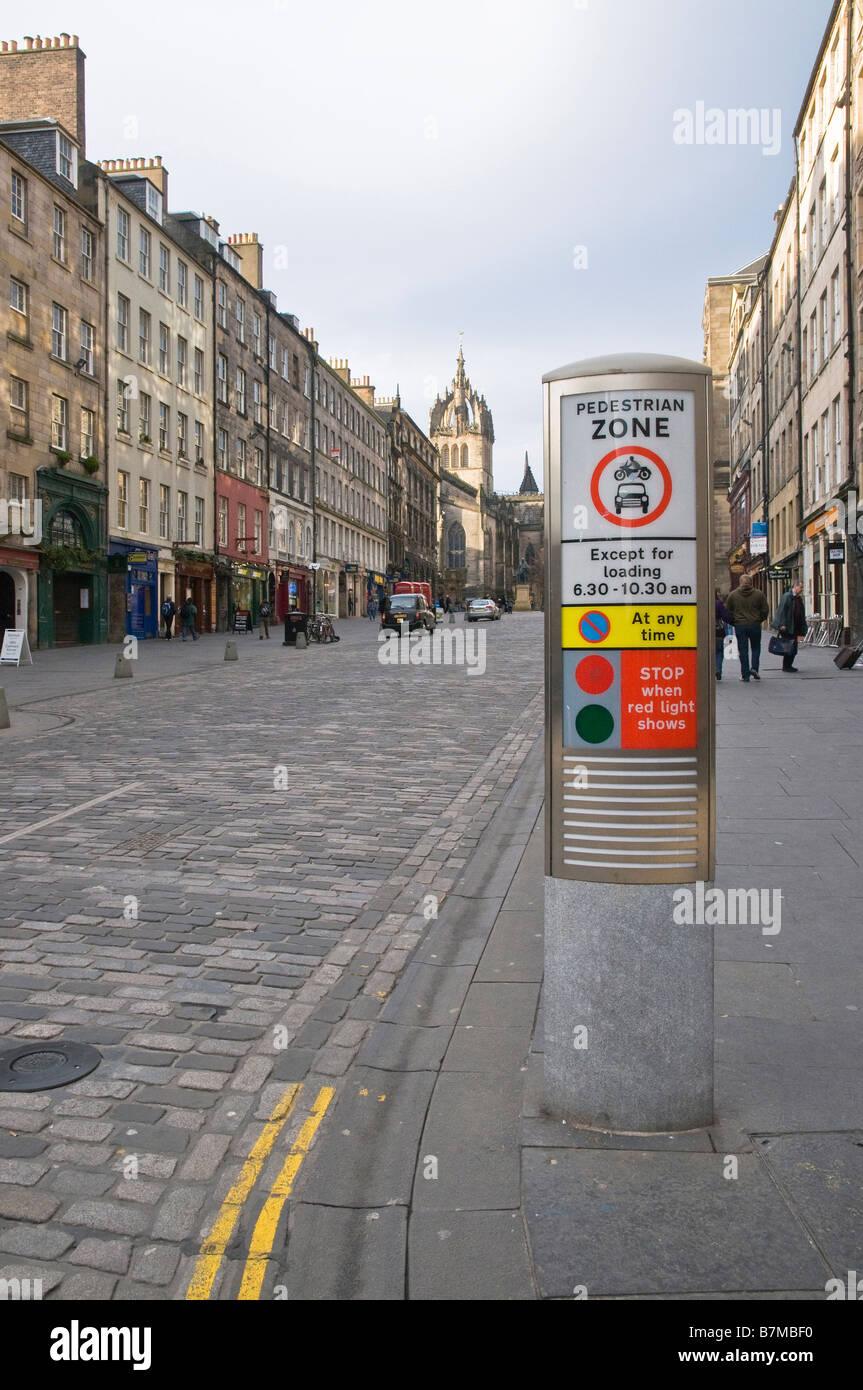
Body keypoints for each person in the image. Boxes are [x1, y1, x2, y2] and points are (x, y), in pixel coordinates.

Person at [725, 574, 768, 682]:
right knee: (756, 648)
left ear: (740, 582)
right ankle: (754, 668)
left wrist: (733, 622)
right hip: (754, 625)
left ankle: (745, 675)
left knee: (743, 650)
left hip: (740, 626)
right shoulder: (759, 594)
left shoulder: (733, 595)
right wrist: (759, 619)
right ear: (751, 582)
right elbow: (765, 610)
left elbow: (728, 611)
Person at [771, 580, 807, 672]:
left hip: (795, 626)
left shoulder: (798, 598)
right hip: (788, 626)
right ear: (795, 586)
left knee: (793, 646)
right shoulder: (787, 596)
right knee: (789, 646)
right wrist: (782, 624)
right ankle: (786, 666)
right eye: (801, 587)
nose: (801, 589)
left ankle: (788, 665)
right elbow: (782, 610)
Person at [715, 590, 731, 681]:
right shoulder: (718, 603)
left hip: (703, 631)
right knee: (719, 651)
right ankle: (717, 669)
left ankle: (709, 670)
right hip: (718, 630)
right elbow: (726, 617)